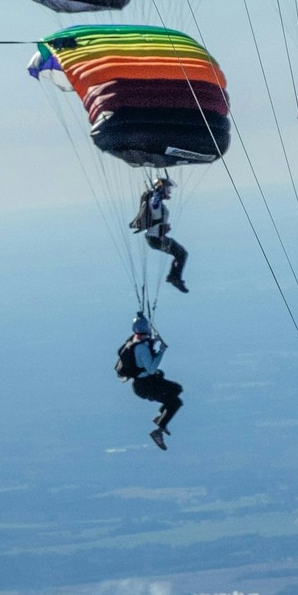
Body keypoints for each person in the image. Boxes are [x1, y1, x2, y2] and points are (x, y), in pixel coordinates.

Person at [116, 313, 184, 450]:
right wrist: (161, 352)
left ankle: (161, 417)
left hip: (147, 382)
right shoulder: (141, 348)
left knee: (176, 389)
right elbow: (152, 368)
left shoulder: (134, 341)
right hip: (145, 386)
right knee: (176, 402)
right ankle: (159, 430)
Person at [130, 177, 188, 292]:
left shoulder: (157, 203)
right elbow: (154, 204)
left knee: (181, 254)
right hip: (156, 240)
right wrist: (157, 192)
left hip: (156, 238)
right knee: (181, 254)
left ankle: (174, 277)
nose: (169, 192)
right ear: (162, 189)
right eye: (167, 189)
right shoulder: (154, 202)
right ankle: (174, 277)